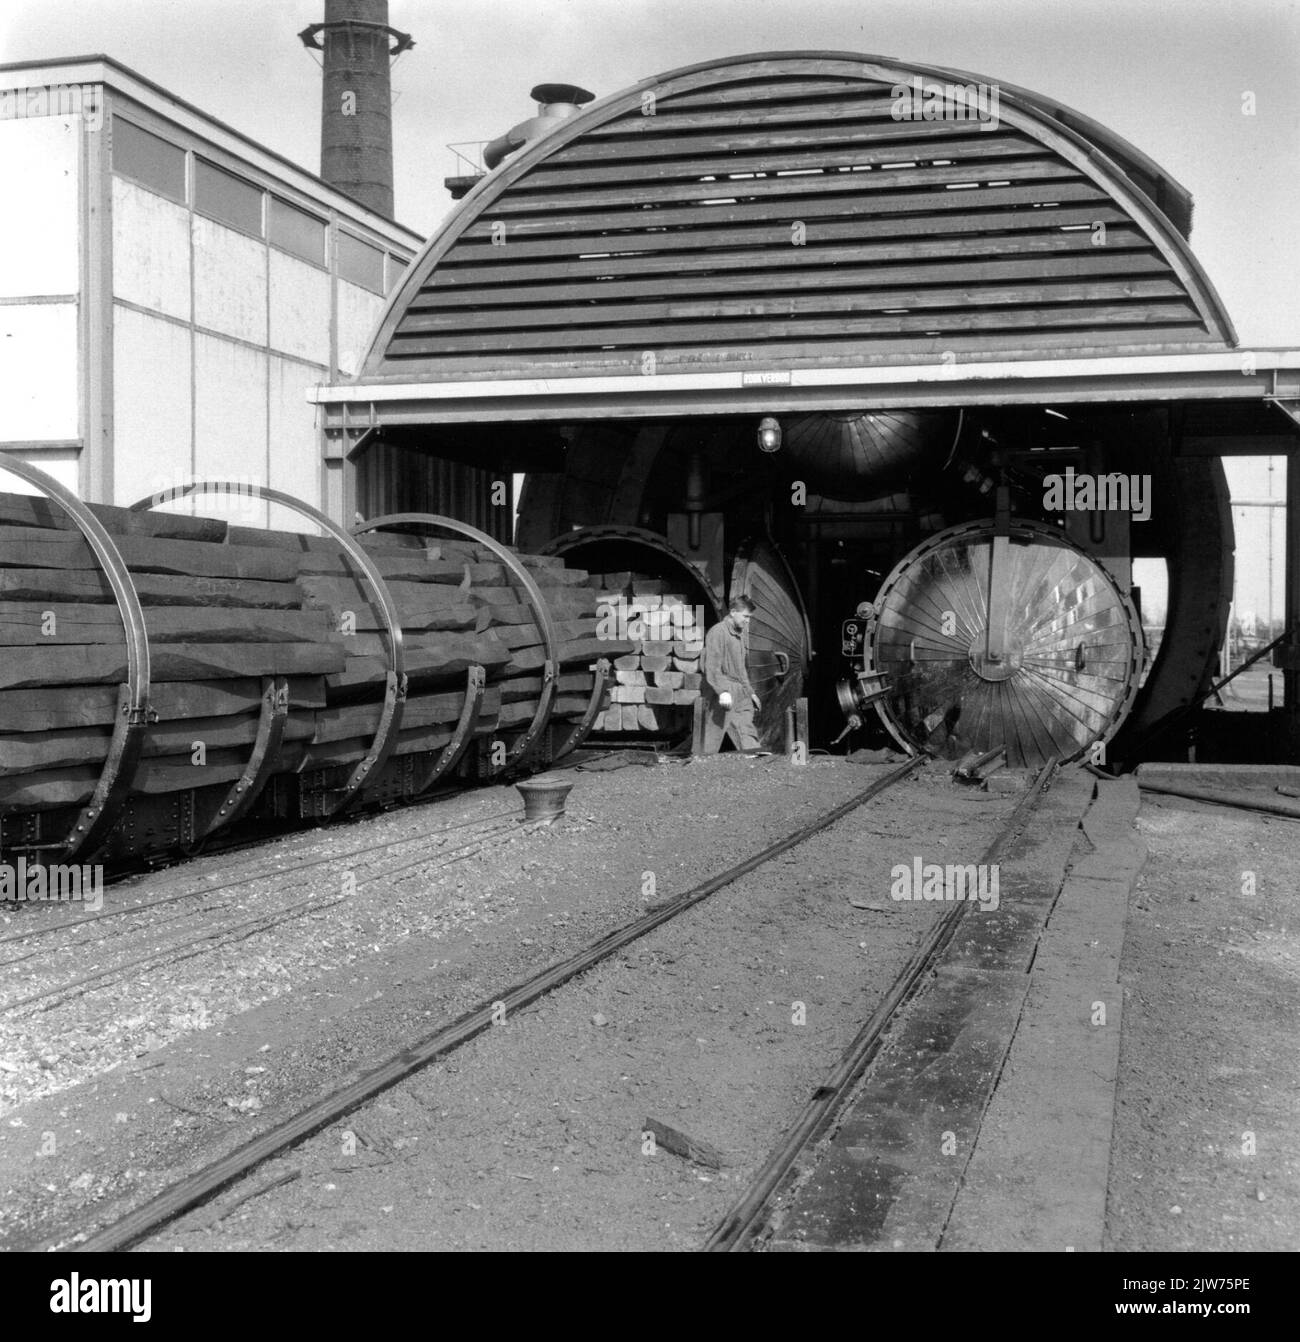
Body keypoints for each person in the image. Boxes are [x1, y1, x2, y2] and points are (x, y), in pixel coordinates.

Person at [701, 595, 763, 753]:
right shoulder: (717, 633)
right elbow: (712, 667)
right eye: (746, 616)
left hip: (740, 691)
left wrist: (751, 693)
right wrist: (722, 692)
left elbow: (741, 669)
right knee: (711, 739)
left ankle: (753, 759)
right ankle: (702, 765)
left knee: (746, 728)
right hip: (724, 690)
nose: (748, 621)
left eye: (750, 617)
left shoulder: (740, 634)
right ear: (733, 612)